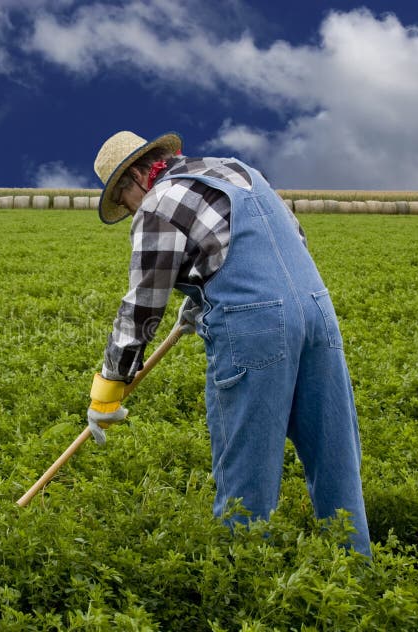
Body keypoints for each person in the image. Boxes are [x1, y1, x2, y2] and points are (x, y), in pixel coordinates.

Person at [86, 130, 372, 557]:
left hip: (254, 330)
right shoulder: (239, 171)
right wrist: (203, 299)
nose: (130, 212)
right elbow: (289, 240)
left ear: (136, 180)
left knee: (246, 470)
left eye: (124, 201)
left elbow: (142, 306)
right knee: (335, 456)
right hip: (317, 312)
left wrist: (108, 387)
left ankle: (243, 581)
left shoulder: (157, 204)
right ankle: (357, 566)